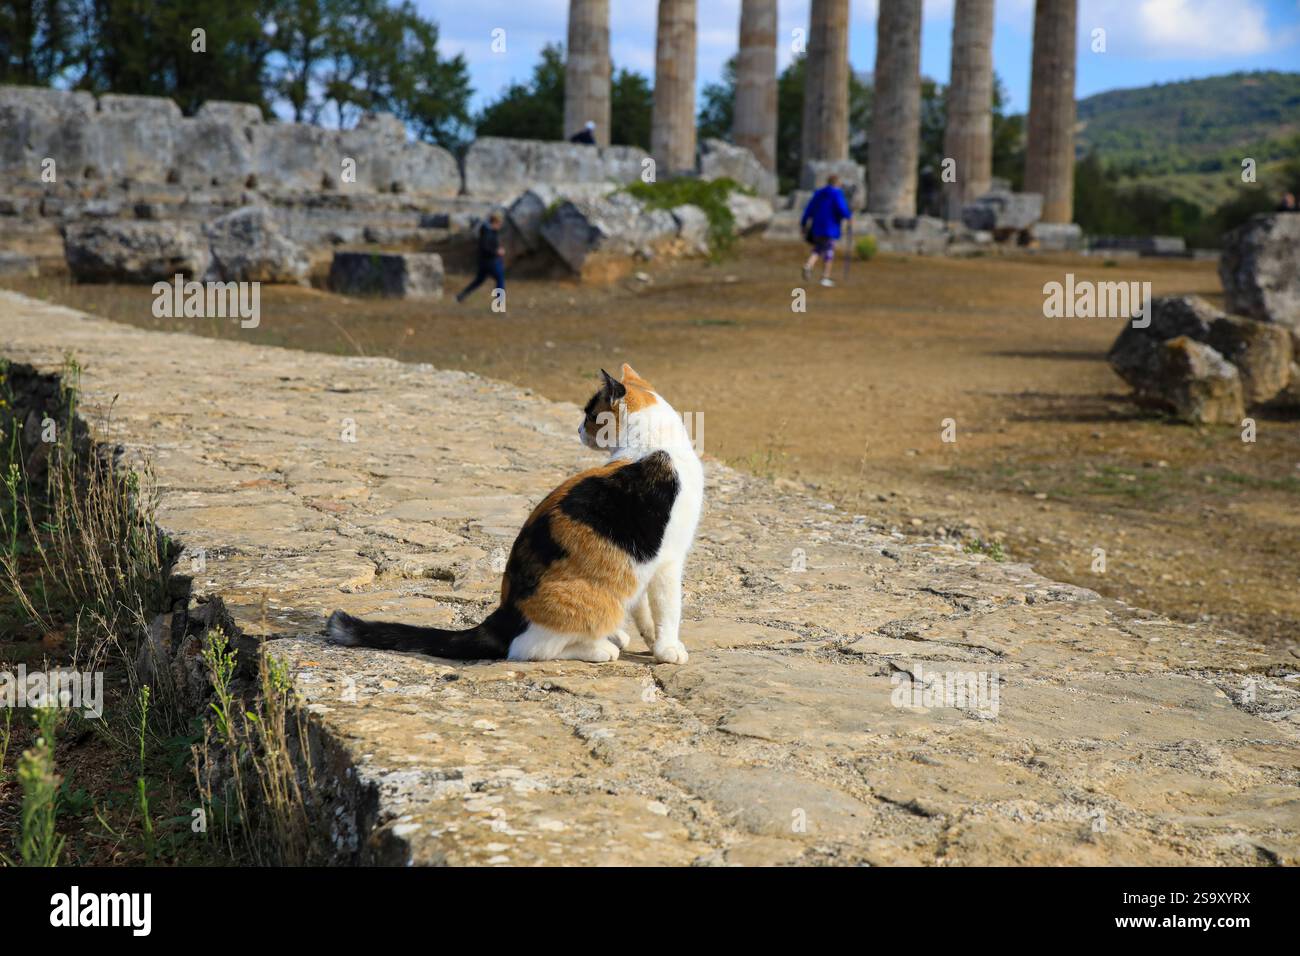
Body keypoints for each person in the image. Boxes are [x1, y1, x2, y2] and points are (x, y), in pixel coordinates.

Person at [801, 174, 852, 287]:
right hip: (830, 227)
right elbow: (841, 208)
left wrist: (804, 223)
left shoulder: (818, 193)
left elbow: (809, 208)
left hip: (817, 226)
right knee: (829, 250)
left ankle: (808, 265)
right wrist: (848, 216)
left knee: (818, 248)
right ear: (837, 182)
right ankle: (825, 276)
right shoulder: (836, 193)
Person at [456, 211, 505, 304]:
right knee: (500, 279)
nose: (500, 225)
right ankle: (499, 303)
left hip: (484, 261)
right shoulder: (488, 232)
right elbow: (485, 247)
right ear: (495, 222)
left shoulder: (490, 231)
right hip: (490, 261)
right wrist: (497, 252)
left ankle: (461, 295)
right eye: (499, 223)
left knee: (479, 281)